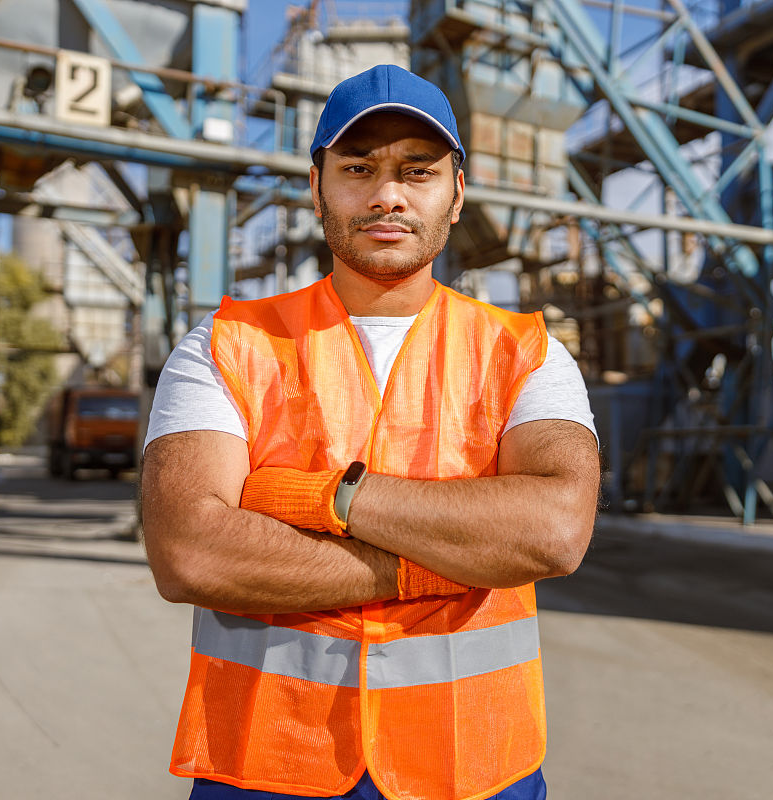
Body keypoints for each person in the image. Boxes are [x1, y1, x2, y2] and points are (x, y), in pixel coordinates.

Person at [140, 64, 601, 800]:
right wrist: (446, 563)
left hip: (473, 772)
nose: (388, 194)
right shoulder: (228, 344)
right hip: (268, 770)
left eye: (417, 171)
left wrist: (321, 500)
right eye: (359, 168)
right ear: (315, 186)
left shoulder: (526, 351)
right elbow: (189, 552)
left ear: (456, 195)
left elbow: (554, 531)